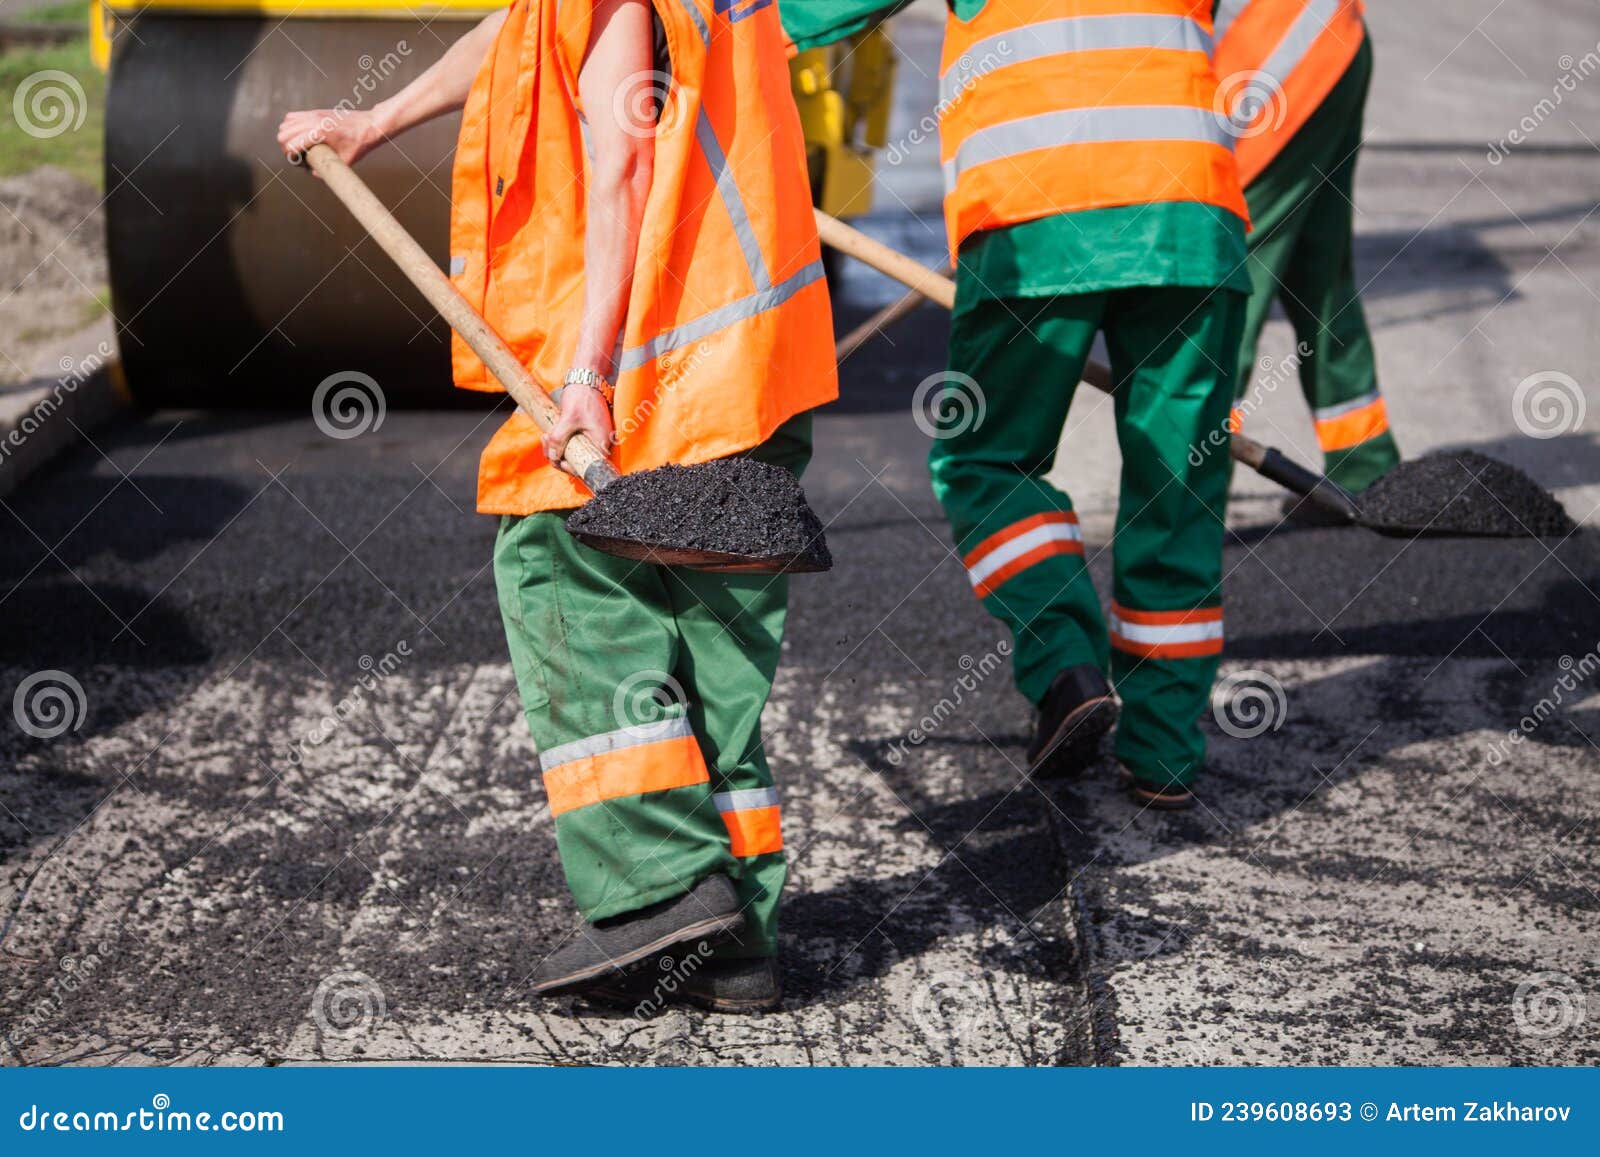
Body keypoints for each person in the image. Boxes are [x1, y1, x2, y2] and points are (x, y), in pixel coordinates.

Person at [279, 0, 836, 1013]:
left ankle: (661, 883)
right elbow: (521, 30)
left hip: (660, 372)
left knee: (557, 573)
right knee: (714, 655)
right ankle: (738, 947)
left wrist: (588, 372)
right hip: (756, 367)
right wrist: (374, 121)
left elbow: (620, 165)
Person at [924, 0, 1250, 810]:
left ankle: (1065, 661)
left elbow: (796, 17)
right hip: (1188, 211)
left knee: (983, 457)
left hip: (1033, 220)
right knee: (1177, 482)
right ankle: (1164, 752)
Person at [1214, 0, 1399, 504]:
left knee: (1222, 277)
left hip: (1273, 56)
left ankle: (1188, 500)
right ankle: (1365, 465)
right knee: (1316, 271)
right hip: (1318, 39)